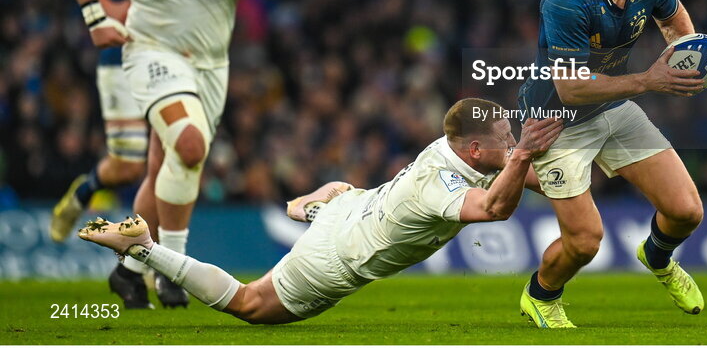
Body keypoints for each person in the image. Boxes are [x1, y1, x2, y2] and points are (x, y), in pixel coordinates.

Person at [79, 100, 563, 324]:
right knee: (249, 305)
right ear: (476, 149)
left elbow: (525, 175)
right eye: (505, 137)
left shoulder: (457, 150)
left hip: (349, 204)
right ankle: (143, 248)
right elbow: (497, 207)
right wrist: (522, 157)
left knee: (336, 193)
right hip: (337, 258)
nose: (513, 142)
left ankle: (308, 204)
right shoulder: (439, 182)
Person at [63, 0, 288, 309]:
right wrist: (96, 18)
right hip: (153, 53)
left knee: (169, 165)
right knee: (189, 145)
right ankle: (173, 270)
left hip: (211, 64)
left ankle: (132, 268)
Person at [516, 0, 707, 328]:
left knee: (686, 211)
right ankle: (541, 295)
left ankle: (657, 257)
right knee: (585, 242)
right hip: (555, 123)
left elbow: (676, 22)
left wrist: (689, 58)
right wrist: (649, 80)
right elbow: (570, 87)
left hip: (613, 106)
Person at [50, 0, 172, 309]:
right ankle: (82, 193)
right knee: (127, 164)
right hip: (122, 54)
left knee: (169, 164)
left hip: (170, 57)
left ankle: (145, 268)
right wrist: (102, 9)